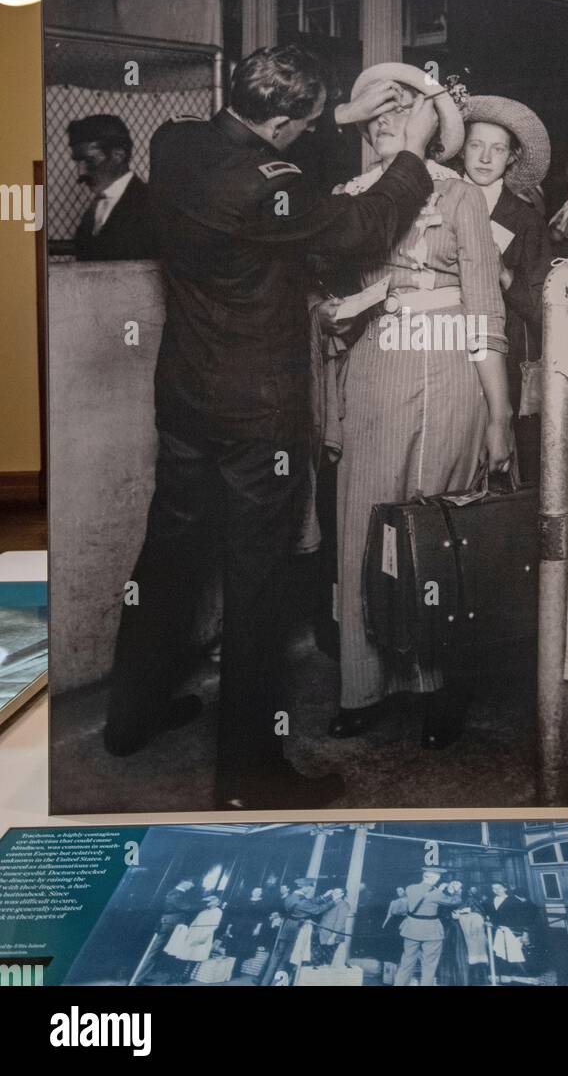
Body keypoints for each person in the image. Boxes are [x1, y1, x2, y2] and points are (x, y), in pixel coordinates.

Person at [101, 45, 436, 811]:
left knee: (168, 559)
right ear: (281, 123)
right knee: (257, 588)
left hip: (186, 399)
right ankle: (248, 776)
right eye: (307, 125)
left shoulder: (176, 143)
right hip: (256, 416)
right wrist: (410, 154)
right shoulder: (268, 189)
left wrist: (340, 117)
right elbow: (360, 228)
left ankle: (131, 716)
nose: (312, 135)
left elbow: (259, 148)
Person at [323, 62, 513, 751]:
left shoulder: (461, 200)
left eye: (397, 114)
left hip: (452, 377)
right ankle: (362, 687)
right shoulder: (348, 198)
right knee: (363, 528)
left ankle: (437, 686)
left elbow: (487, 312)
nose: (382, 125)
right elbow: (323, 298)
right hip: (374, 376)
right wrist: (336, 312)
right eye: (372, 117)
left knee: (436, 536)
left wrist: (498, 417)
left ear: (428, 129)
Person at [461, 96, 552, 483]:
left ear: (511, 158)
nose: (484, 158)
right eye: (476, 145)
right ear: (460, 149)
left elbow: (543, 309)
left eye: (497, 149)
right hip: (446, 358)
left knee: (501, 478)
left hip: (506, 366)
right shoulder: (436, 202)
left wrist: (504, 275)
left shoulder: (527, 221)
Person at [69, 114, 156, 260]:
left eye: (90, 160)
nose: (81, 172)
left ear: (118, 156)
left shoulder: (151, 206)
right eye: (78, 162)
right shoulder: (94, 210)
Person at [261, 877, 339, 986]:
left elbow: (309, 902)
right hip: (294, 932)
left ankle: (264, 983)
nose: (311, 889)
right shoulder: (301, 901)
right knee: (285, 961)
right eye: (310, 887)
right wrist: (334, 901)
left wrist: (325, 897)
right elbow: (317, 910)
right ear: (305, 887)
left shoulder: (291, 897)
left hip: (284, 931)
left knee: (274, 961)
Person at [392, 867, 461, 987]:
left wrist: (439, 889)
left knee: (406, 962)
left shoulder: (410, 888)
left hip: (411, 929)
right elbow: (454, 902)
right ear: (434, 878)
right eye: (438, 877)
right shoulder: (436, 893)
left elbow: (423, 898)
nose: (438, 879)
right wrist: (457, 890)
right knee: (429, 965)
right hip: (431, 931)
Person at [135, 878, 200, 985]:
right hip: (169, 925)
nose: (192, 885)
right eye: (191, 883)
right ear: (184, 882)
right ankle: (138, 979)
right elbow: (188, 907)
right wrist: (206, 904)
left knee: (158, 952)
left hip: (174, 925)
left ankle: (142, 977)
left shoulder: (180, 894)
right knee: (153, 952)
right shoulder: (174, 894)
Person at [488, 882, 538, 981]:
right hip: (498, 932)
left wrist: (525, 933)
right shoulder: (490, 901)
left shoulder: (514, 900)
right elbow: (492, 916)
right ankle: (507, 979)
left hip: (514, 932)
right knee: (502, 956)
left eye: (499, 888)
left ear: (505, 888)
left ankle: (527, 978)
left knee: (517, 955)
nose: (497, 890)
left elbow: (525, 918)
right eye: (494, 889)